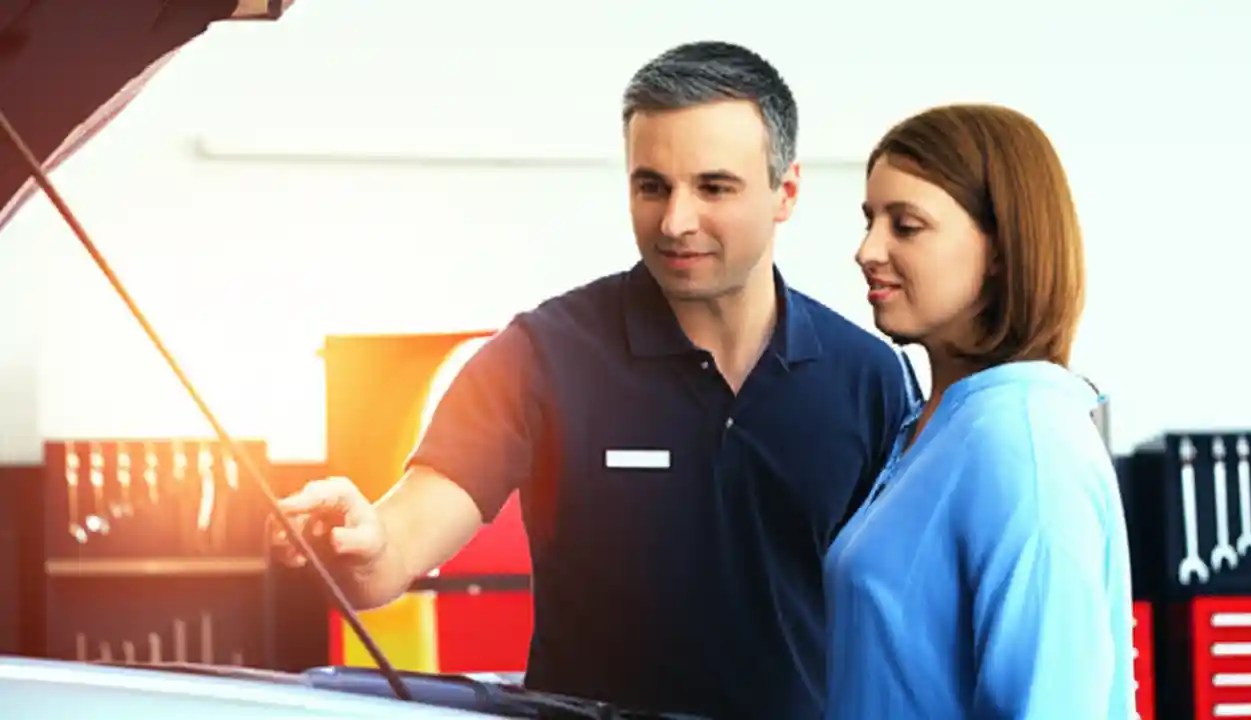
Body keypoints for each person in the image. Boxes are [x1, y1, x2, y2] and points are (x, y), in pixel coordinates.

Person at [274, 40, 910, 719]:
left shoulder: (869, 379)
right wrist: (364, 545)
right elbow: (400, 543)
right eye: (651, 186)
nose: (676, 222)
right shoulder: (541, 357)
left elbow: (904, 611)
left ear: (786, 193)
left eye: (714, 187)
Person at [822, 103, 1136, 719]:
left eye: (906, 226)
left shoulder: (1023, 444)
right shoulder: (937, 427)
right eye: (869, 221)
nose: (867, 250)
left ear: (999, 247)